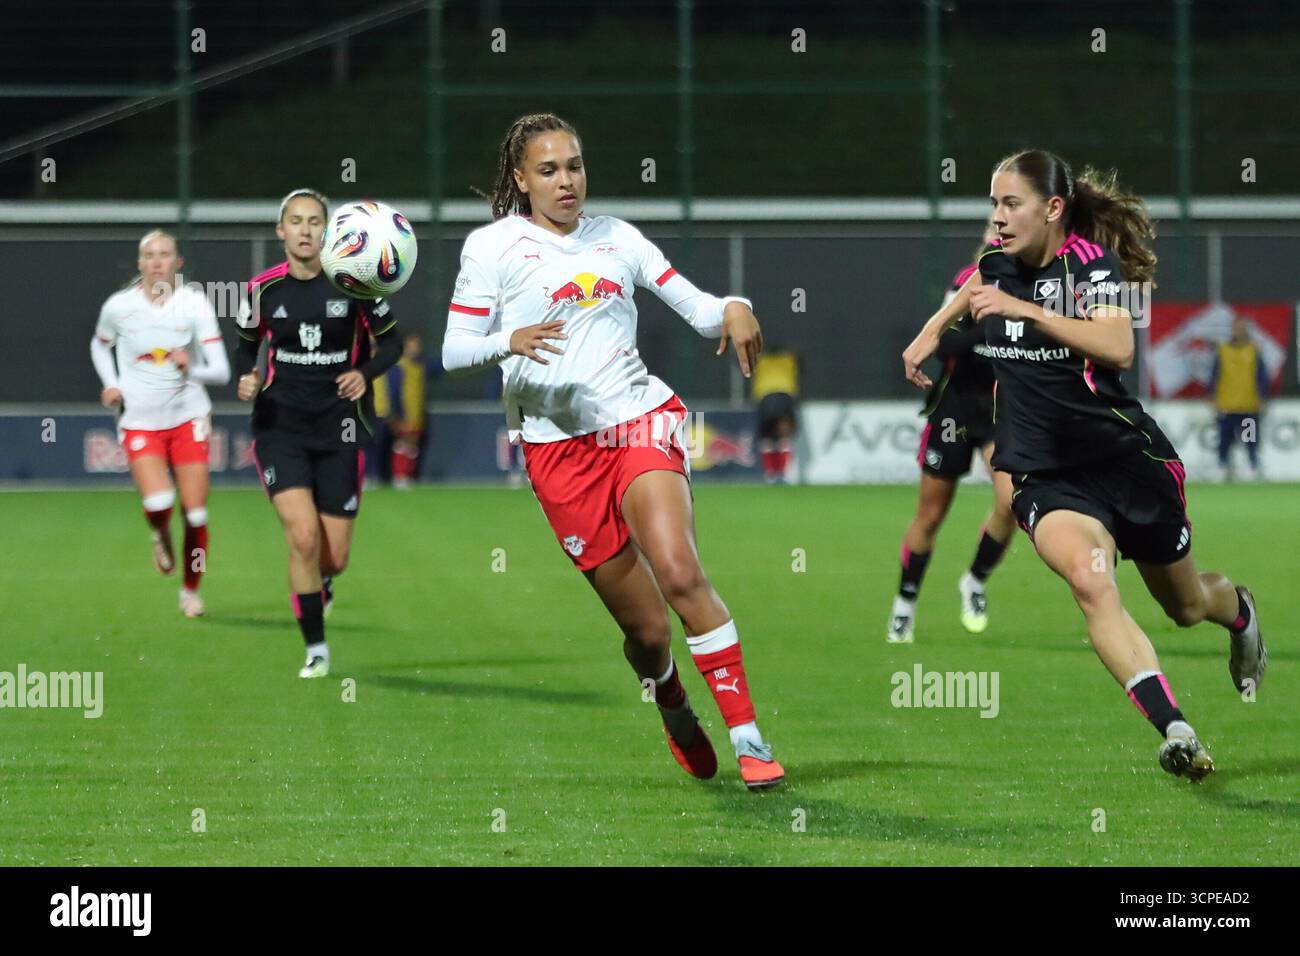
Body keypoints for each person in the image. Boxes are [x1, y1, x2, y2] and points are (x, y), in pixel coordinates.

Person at [442, 113, 784, 790]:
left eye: (574, 165)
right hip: (556, 454)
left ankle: (750, 739)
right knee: (649, 634)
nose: (566, 181)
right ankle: (671, 699)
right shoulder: (491, 248)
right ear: (520, 179)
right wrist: (506, 342)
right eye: (548, 170)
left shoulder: (618, 237)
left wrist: (737, 305)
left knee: (680, 570)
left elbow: (697, 307)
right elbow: (455, 350)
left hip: (637, 422)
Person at [902, 149, 1267, 781]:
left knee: (1183, 608)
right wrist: (932, 331)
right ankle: (1174, 727)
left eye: (1011, 203)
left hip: (1125, 462)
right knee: (1090, 581)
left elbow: (1118, 345)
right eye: (992, 204)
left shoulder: (1090, 267)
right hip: (1045, 474)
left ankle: (1238, 611)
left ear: (1052, 209)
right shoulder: (994, 264)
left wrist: (1031, 313)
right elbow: (972, 289)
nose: (998, 217)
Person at [234, 188, 402, 678]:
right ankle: (316, 649)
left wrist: (365, 372)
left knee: (336, 556)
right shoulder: (262, 290)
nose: (305, 230)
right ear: (280, 230)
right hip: (279, 428)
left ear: (327, 232)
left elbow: (392, 345)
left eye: (314, 222)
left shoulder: (354, 282)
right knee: (303, 539)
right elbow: (245, 346)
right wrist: (247, 375)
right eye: (296, 221)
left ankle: (323, 584)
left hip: (340, 430)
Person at [90, 230, 230, 618]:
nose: (156, 262)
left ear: (177, 262)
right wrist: (111, 384)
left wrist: (192, 366)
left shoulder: (194, 304)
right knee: (158, 501)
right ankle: (160, 534)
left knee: (197, 513)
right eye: (149, 255)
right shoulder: (119, 306)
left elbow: (220, 371)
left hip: (188, 417)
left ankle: (191, 590)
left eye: (164, 254)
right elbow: (100, 345)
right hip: (140, 419)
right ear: (140, 264)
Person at [890, 227, 1016, 643]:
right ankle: (905, 605)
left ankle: (975, 581)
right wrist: (990, 327)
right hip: (955, 410)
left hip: (1002, 412)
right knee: (930, 516)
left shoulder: (1037, 285)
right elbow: (944, 345)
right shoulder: (969, 281)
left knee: (1011, 499)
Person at [1209, 315, 1269, 482]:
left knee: (1250, 439)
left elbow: (1262, 376)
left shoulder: (1253, 350)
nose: (1239, 331)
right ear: (1232, 330)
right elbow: (1215, 375)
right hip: (1227, 404)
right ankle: (1221, 467)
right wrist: (1212, 396)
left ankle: (1252, 467)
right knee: (1224, 439)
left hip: (1248, 405)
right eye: (1237, 328)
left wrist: (1263, 396)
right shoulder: (1223, 351)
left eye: (1242, 328)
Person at [384, 332, 443, 488]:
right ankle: (399, 475)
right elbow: (393, 391)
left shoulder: (420, 365)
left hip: (416, 414)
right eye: (413, 345)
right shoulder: (397, 367)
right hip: (403, 413)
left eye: (417, 345)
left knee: (412, 446)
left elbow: (440, 366)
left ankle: (407, 475)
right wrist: (394, 414)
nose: (416, 348)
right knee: (402, 444)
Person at [750, 346, 799, 484]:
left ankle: (770, 474)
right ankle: (784, 473)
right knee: (784, 435)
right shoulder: (789, 359)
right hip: (784, 395)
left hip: (766, 397)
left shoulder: (760, 361)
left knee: (767, 437)